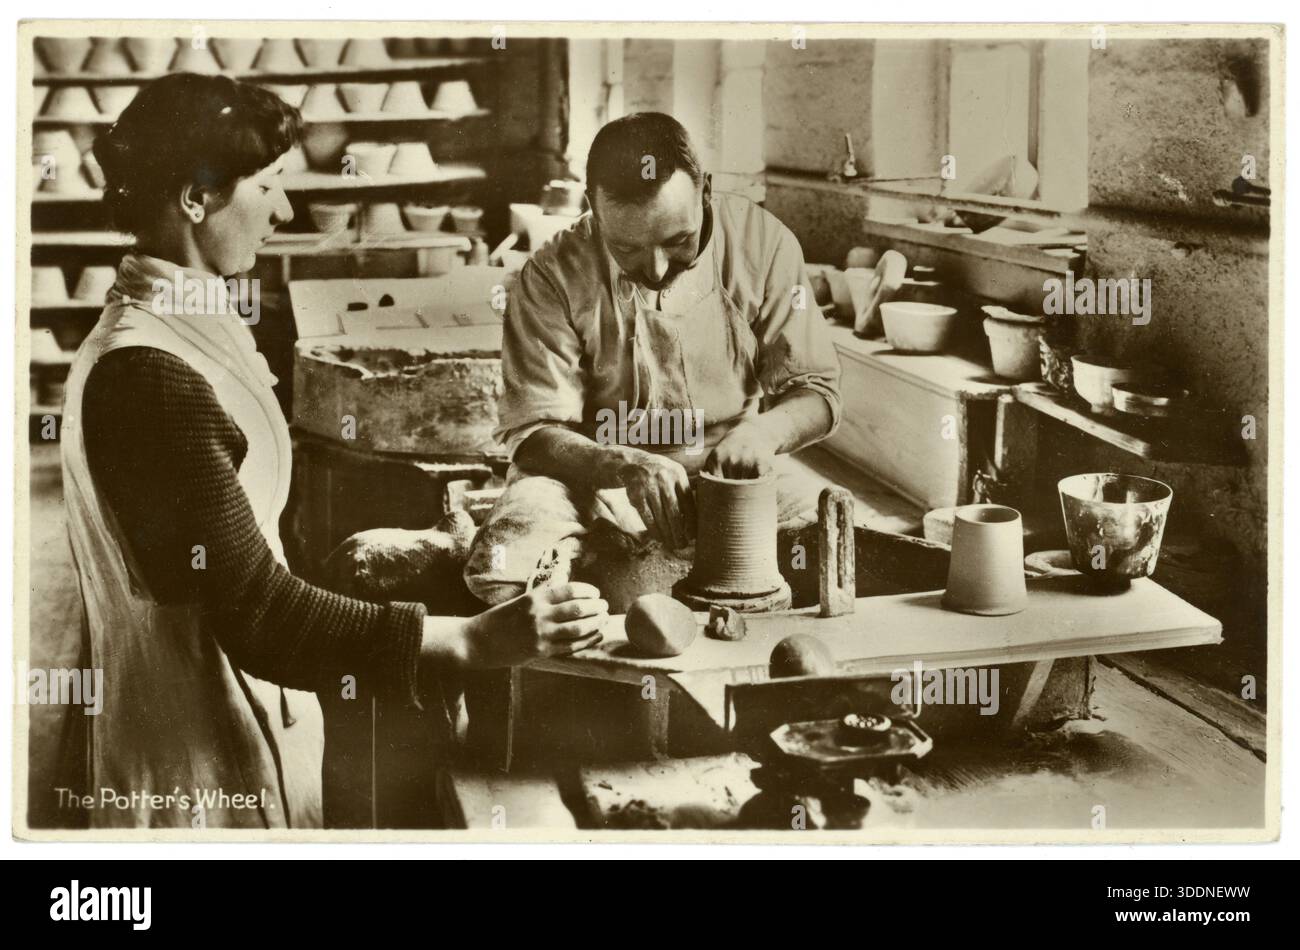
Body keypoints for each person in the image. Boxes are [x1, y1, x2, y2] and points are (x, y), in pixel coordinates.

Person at [58, 73, 608, 830]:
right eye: (271, 184)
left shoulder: (174, 321)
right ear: (195, 199)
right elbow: (259, 614)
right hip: (195, 752)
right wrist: (476, 639)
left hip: (222, 704)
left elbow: (227, 549)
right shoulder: (149, 373)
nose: (284, 209)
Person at [464, 112, 843, 605]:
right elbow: (531, 434)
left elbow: (817, 392)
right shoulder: (552, 272)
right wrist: (620, 464)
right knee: (502, 570)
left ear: (706, 191)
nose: (658, 269)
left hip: (727, 474)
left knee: (837, 541)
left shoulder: (764, 245)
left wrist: (762, 434)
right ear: (592, 209)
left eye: (678, 241)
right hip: (592, 477)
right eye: (627, 248)